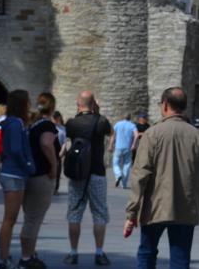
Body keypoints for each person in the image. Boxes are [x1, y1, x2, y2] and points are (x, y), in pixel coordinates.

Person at [125, 87, 199, 269]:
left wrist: (132, 212)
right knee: (180, 258)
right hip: (185, 207)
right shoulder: (197, 136)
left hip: (154, 206)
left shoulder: (152, 134)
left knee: (147, 253)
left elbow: (140, 175)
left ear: (165, 105)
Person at [64, 91, 112, 266]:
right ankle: (99, 253)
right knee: (99, 214)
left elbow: (68, 137)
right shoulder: (100, 121)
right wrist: (97, 111)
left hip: (77, 173)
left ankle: (73, 253)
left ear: (78, 103)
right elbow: (110, 130)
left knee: (74, 214)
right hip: (97, 173)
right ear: (93, 104)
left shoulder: (72, 123)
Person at [19, 92, 58, 269]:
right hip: (41, 176)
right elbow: (46, 143)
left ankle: (30, 253)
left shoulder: (33, 124)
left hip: (30, 175)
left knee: (31, 217)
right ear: (53, 107)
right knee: (33, 219)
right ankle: (26, 258)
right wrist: (54, 165)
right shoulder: (47, 125)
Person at [0, 90, 34, 269]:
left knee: (9, 219)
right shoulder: (17, 123)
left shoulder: (11, 122)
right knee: (9, 219)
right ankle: (3, 259)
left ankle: (4, 257)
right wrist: (28, 166)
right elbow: (16, 150)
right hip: (14, 174)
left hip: (10, 172)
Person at [109, 113, 138, 188]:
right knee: (127, 164)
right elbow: (137, 135)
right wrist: (134, 144)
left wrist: (110, 146)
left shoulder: (118, 124)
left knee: (115, 163)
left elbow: (113, 135)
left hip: (118, 147)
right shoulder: (132, 125)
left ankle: (118, 174)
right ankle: (124, 184)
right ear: (130, 118)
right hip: (128, 147)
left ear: (122, 117)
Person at [53, 111, 67, 194]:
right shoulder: (50, 127)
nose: (56, 120)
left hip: (60, 150)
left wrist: (62, 150)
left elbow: (65, 141)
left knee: (58, 170)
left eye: (57, 118)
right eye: (55, 118)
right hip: (52, 149)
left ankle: (55, 188)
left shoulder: (62, 128)